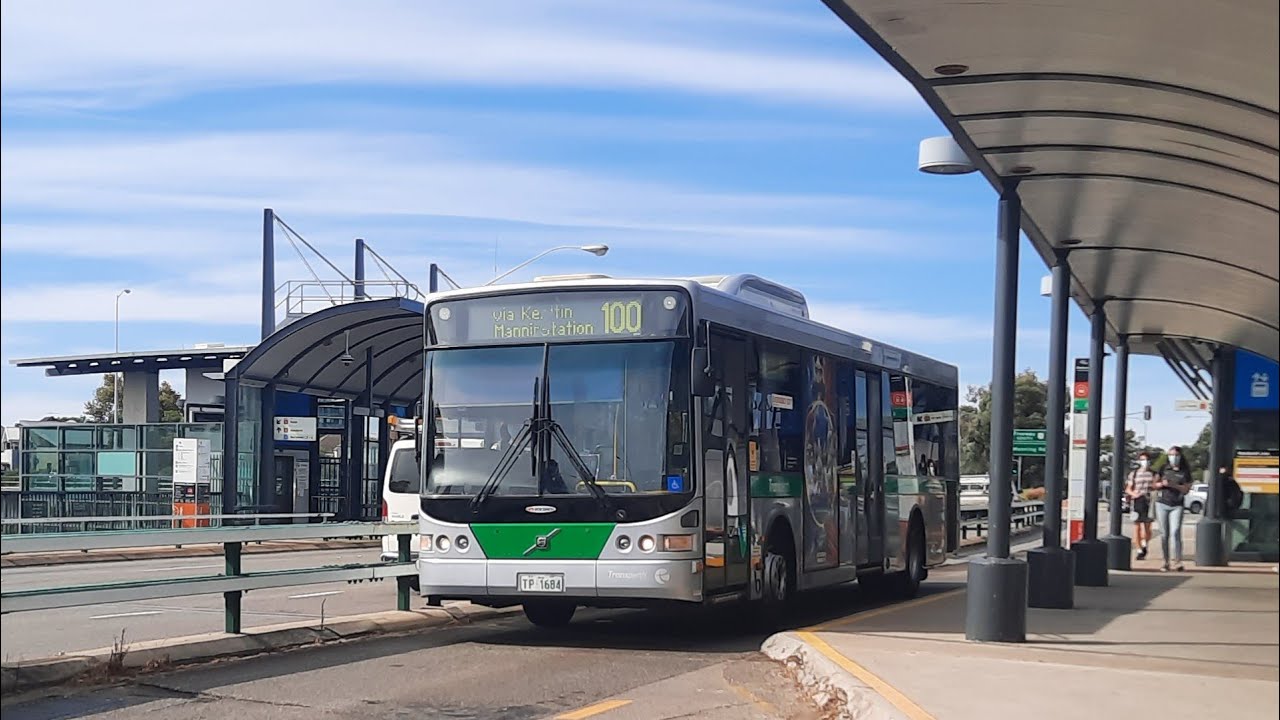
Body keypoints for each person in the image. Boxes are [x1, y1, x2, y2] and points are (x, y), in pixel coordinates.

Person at [1153, 446, 1194, 571]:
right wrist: (1161, 484)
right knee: (1164, 534)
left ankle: (1178, 561)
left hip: (1177, 504)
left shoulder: (1185, 471)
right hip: (1162, 503)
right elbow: (1154, 484)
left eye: (1176, 455)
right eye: (1171, 455)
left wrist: (1174, 485)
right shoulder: (1163, 469)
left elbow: (1186, 489)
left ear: (1180, 456)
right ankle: (1165, 561)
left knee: (1175, 532)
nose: (1173, 457)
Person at [1124, 451, 1158, 560]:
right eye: (1143, 460)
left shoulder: (1154, 474)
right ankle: (1139, 549)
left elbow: (1157, 486)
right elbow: (1128, 489)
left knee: (1148, 527)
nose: (1145, 462)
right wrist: (1134, 494)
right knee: (1137, 527)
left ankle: (1144, 543)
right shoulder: (1133, 474)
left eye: (1147, 460)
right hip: (1137, 501)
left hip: (1148, 501)